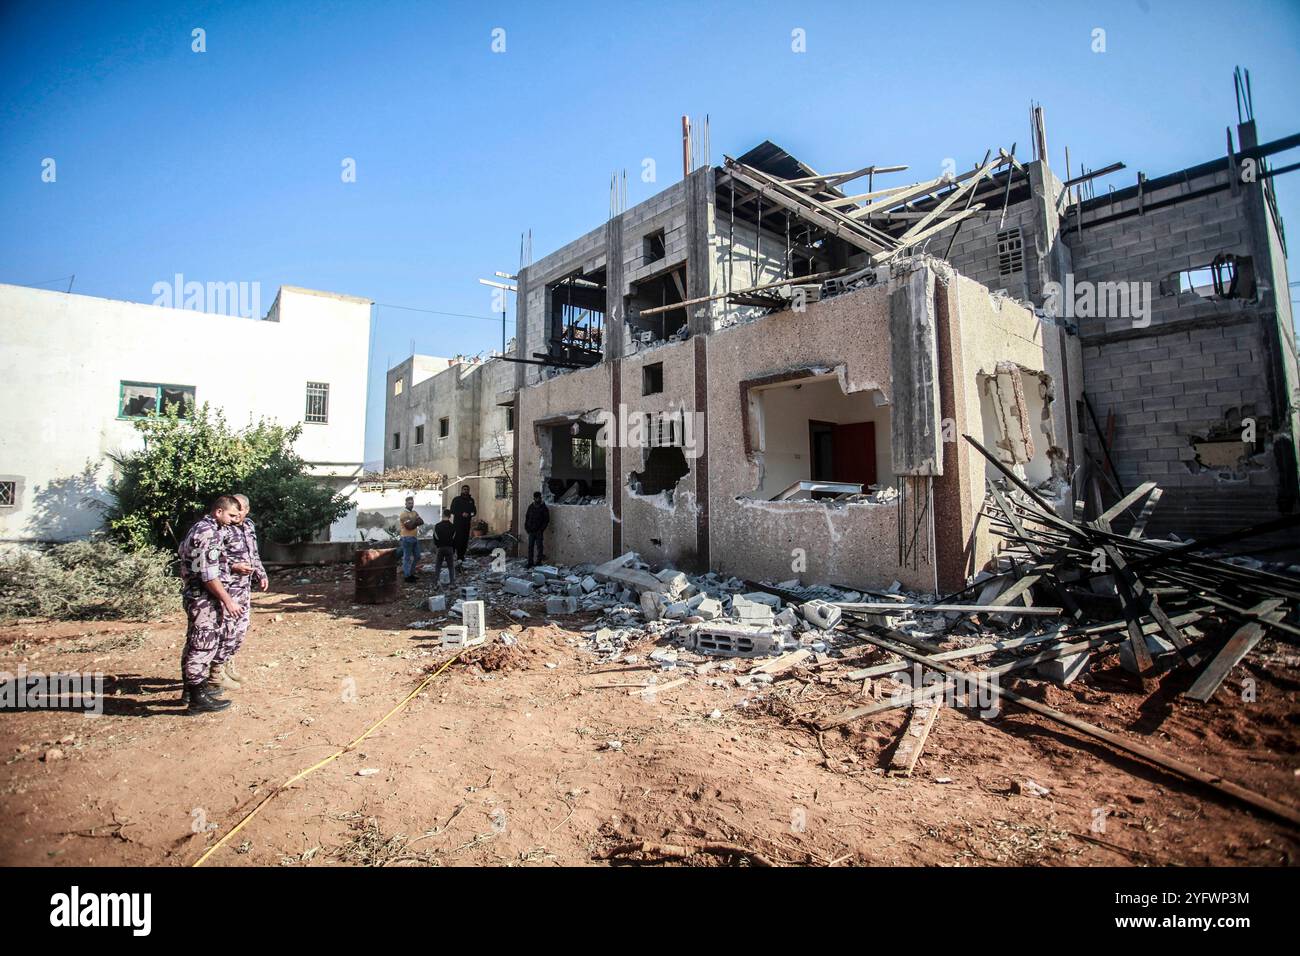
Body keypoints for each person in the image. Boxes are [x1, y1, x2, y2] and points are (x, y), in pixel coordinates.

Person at [177, 496, 244, 714]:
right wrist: (228, 600)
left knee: (195, 643)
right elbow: (208, 575)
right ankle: (197, 698)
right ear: (218, 512)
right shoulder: (207, 533)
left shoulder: (200, 528)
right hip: (204, 597)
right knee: (202, 645)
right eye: (232, 515)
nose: (235, 520)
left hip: (197, 595)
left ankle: (192, 691)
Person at [209, 493, 268, 690]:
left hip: (244, 587)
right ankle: (215, 674)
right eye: (233, 509)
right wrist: (234, 566)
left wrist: (261, 573)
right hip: (226, 586)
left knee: (240, 629)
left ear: (247, 510)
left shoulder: (249, 525)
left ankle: (227, 665)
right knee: (226, 629)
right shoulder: (220, 527)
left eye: (240, 509)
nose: (236, 513)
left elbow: (254, 553)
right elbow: (213, 558)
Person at [398, 495, 424, 582]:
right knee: (407, 558)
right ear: (405, 503)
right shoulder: (403, 514)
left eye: (412, 503)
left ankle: (411, 573)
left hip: (414, 538)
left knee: (417, 556)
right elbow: (409, 527)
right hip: (406, 538)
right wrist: (415, 522)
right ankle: (407, 576)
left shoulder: (414, 512)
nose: (411, 505)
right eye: (409, 503)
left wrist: (413, 522)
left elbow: (422, 521)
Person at [450, 485, 476, 564]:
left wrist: (469, 514)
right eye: (464, 489)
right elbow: (452, 510)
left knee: (465, 540)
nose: (466, 491)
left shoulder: (471, 500)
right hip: (458, 524)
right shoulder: (456, 500)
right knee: (457, 540)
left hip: (466, 524)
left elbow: (474, 512)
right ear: (461, 490)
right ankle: (454, 555)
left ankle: (461, 556)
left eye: (467, 489)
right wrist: (461, 514)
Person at [431, 508, 457, 587]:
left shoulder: (437, 526)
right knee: (451, 566)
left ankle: (436, 584)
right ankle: (452, 584)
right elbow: (454, 539)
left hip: (440, 548)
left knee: (438, 566)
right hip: (449, 548)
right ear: (450, 516)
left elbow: (435, 537)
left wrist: (437, 546)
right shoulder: (453, 527)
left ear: (443, 515)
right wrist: (453, 550)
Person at [524, 491, 550, 567]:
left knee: (539, 547)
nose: (537, 499)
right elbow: (527, 517)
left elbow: (546, 520)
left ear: (540, 498)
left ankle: (538, 562)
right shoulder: (531, 507)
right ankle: (530, 562)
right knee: (530, 547)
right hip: (531, 531)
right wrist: (527, 528)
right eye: (536, 498)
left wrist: (541, 530)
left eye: (538, 498)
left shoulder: (544, 508)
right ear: (534, 498)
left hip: (538, 531)